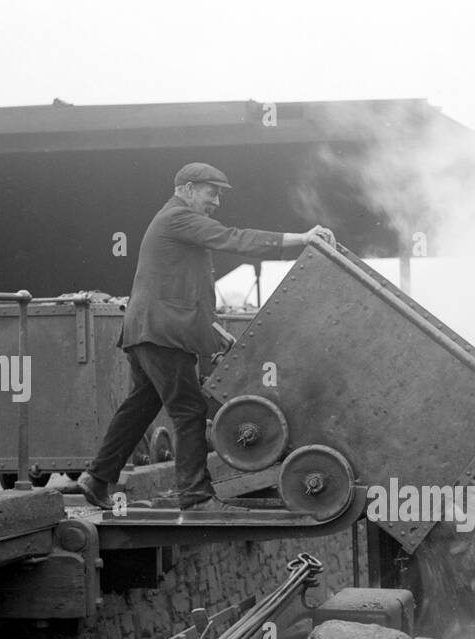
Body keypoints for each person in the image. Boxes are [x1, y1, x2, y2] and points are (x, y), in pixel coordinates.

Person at [78, 163, 335, 510]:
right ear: (186, 189)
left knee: (139, 409)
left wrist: (216, 335)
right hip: (162, 335)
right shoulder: (178, 218)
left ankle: (96, 479)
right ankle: (195, 496)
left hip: (148, 332)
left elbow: (188, 297)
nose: (216, 201)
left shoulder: (176, 225)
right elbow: (235, 238)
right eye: (210, 192)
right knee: (190, 411)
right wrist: (302, 239)